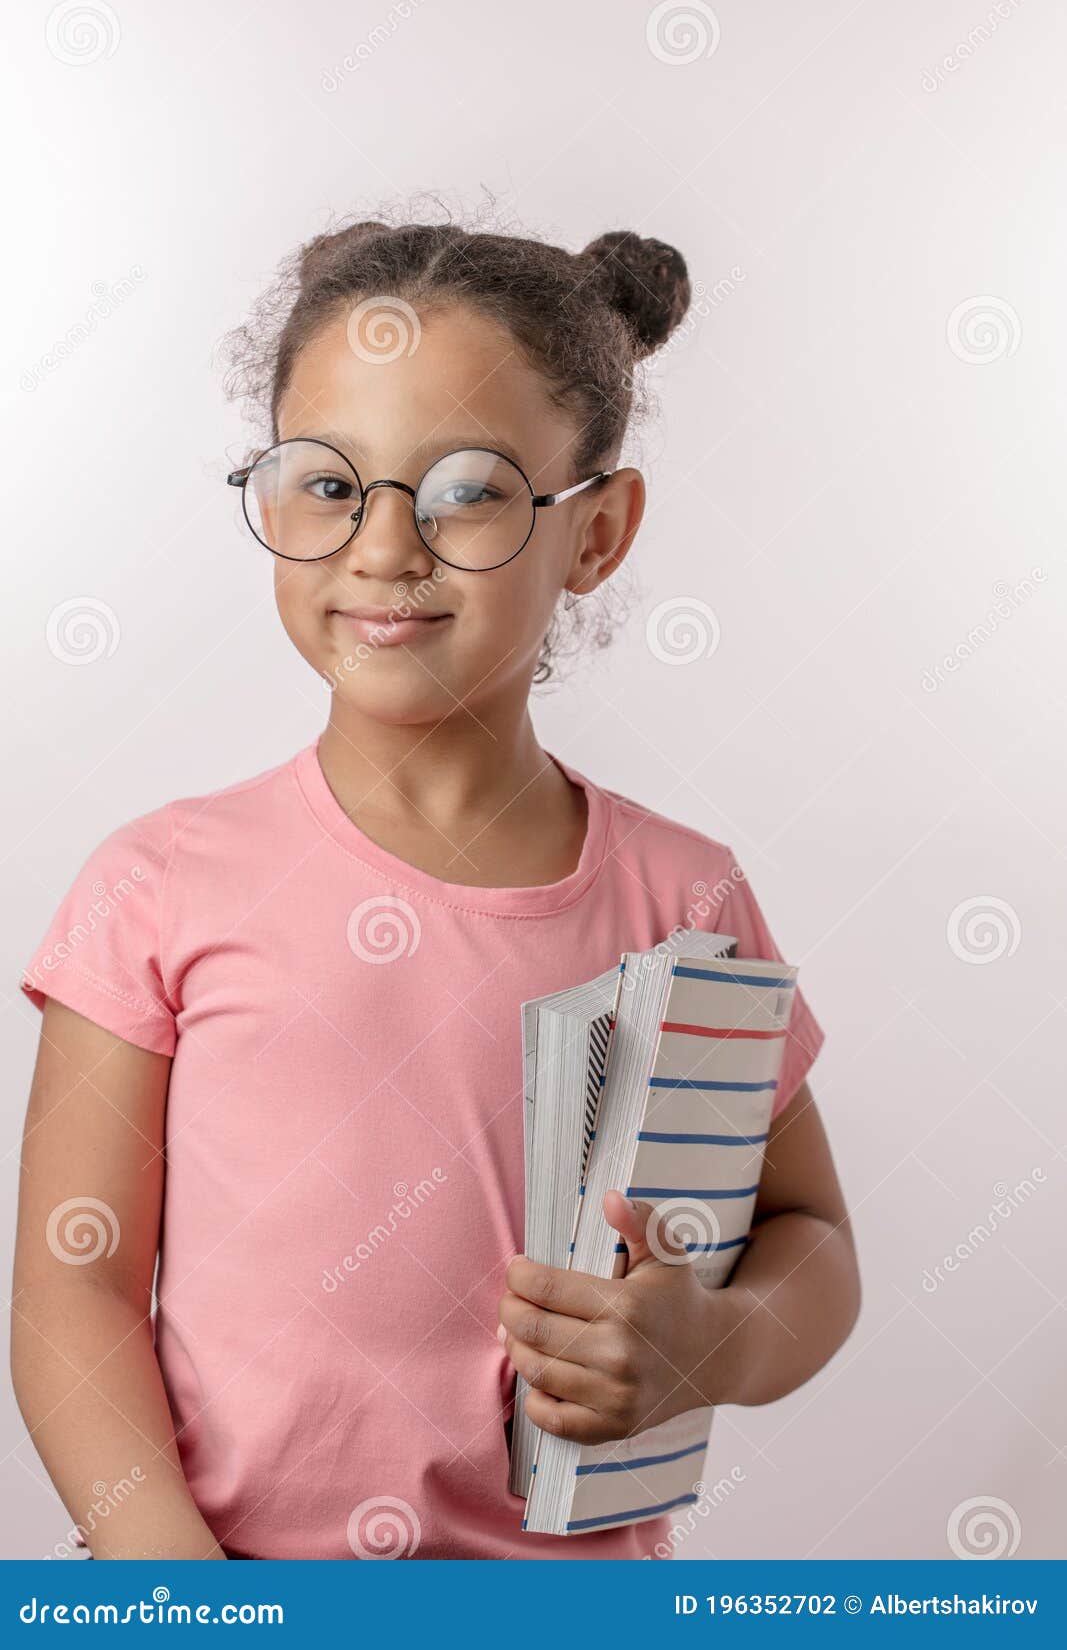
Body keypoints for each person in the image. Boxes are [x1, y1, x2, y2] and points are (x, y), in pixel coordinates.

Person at [12, 209, 859, 1561]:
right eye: (329, 482)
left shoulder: (682, 897)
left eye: (468, 486)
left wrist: (720, 1341)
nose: (387, 546)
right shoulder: (158, 887)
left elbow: (809, 1231)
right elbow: (73, 1280)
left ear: (597, 532)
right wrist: (175, 1580)